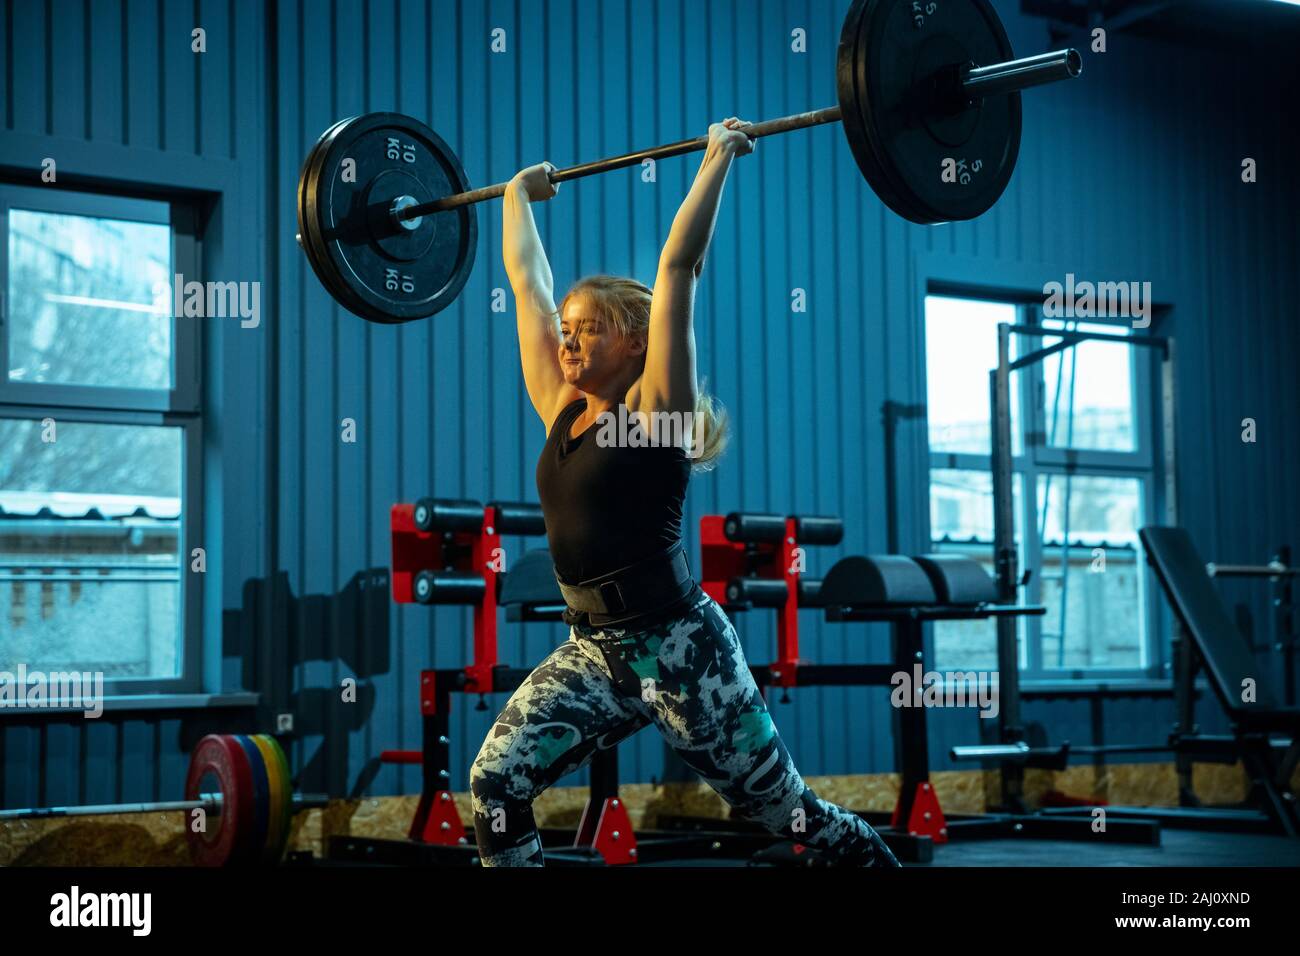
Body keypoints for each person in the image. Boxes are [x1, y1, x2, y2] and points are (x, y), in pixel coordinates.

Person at [469, 117, 900, 868]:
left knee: (785, 813)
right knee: (495, 779)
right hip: (593, 650)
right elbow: (527, 286)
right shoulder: (561, 408)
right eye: (566, 333)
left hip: (684, 653)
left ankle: (869, 861)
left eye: (588, 330)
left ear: (634, 342)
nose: (566, 343)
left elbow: (678, 270)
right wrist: (515, 197)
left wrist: (717, 158)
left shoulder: (655, 418)